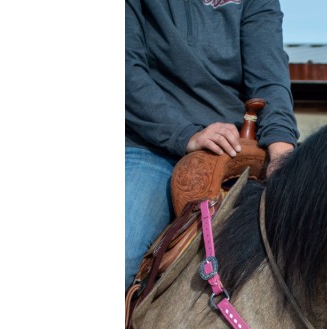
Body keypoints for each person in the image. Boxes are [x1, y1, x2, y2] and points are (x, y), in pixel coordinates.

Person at [125, 0, 299, 290]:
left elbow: (268, 75)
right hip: (150, 146)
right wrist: (186, 134)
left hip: (232, 150)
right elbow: (126, 71)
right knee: (122, 256)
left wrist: (282, 153)